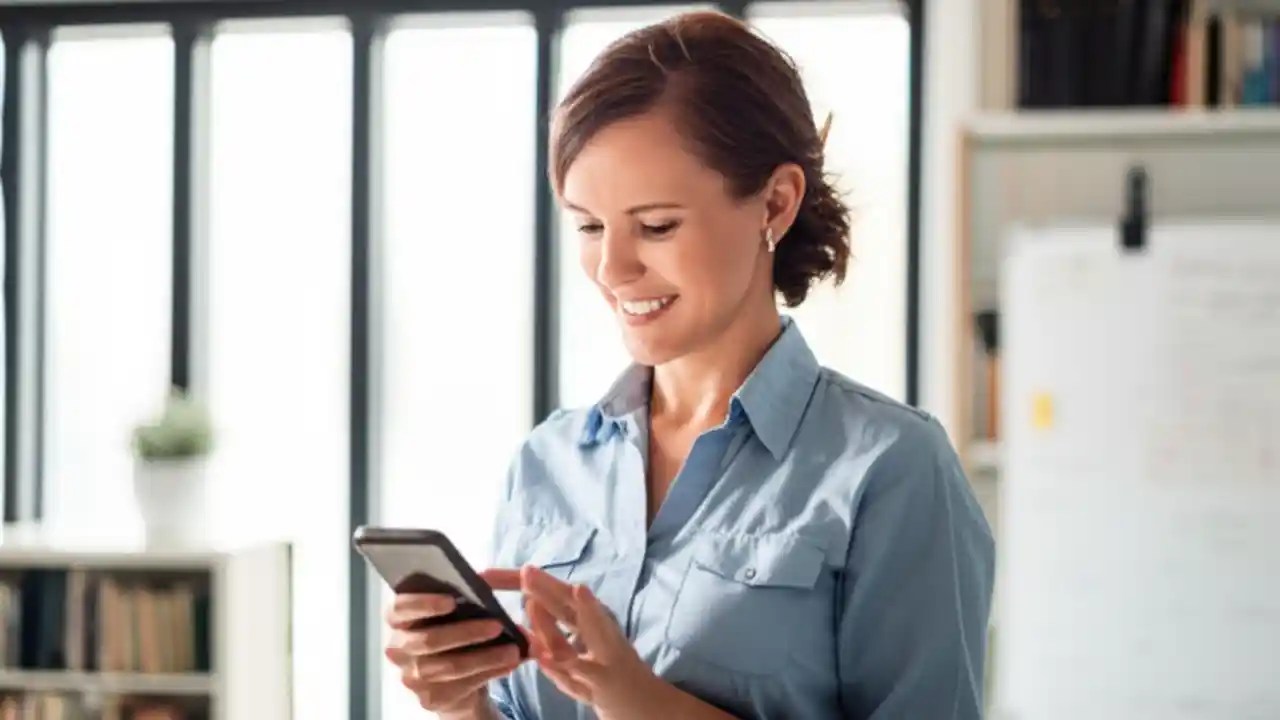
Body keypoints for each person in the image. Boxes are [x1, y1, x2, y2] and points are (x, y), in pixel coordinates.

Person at [384, 10, 994, 719]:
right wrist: (464, 704)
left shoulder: (891, 468)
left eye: (656, 225)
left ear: (775, 203)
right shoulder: (546, 464)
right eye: (589, 225)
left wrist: (646, 704)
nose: (611, 268)